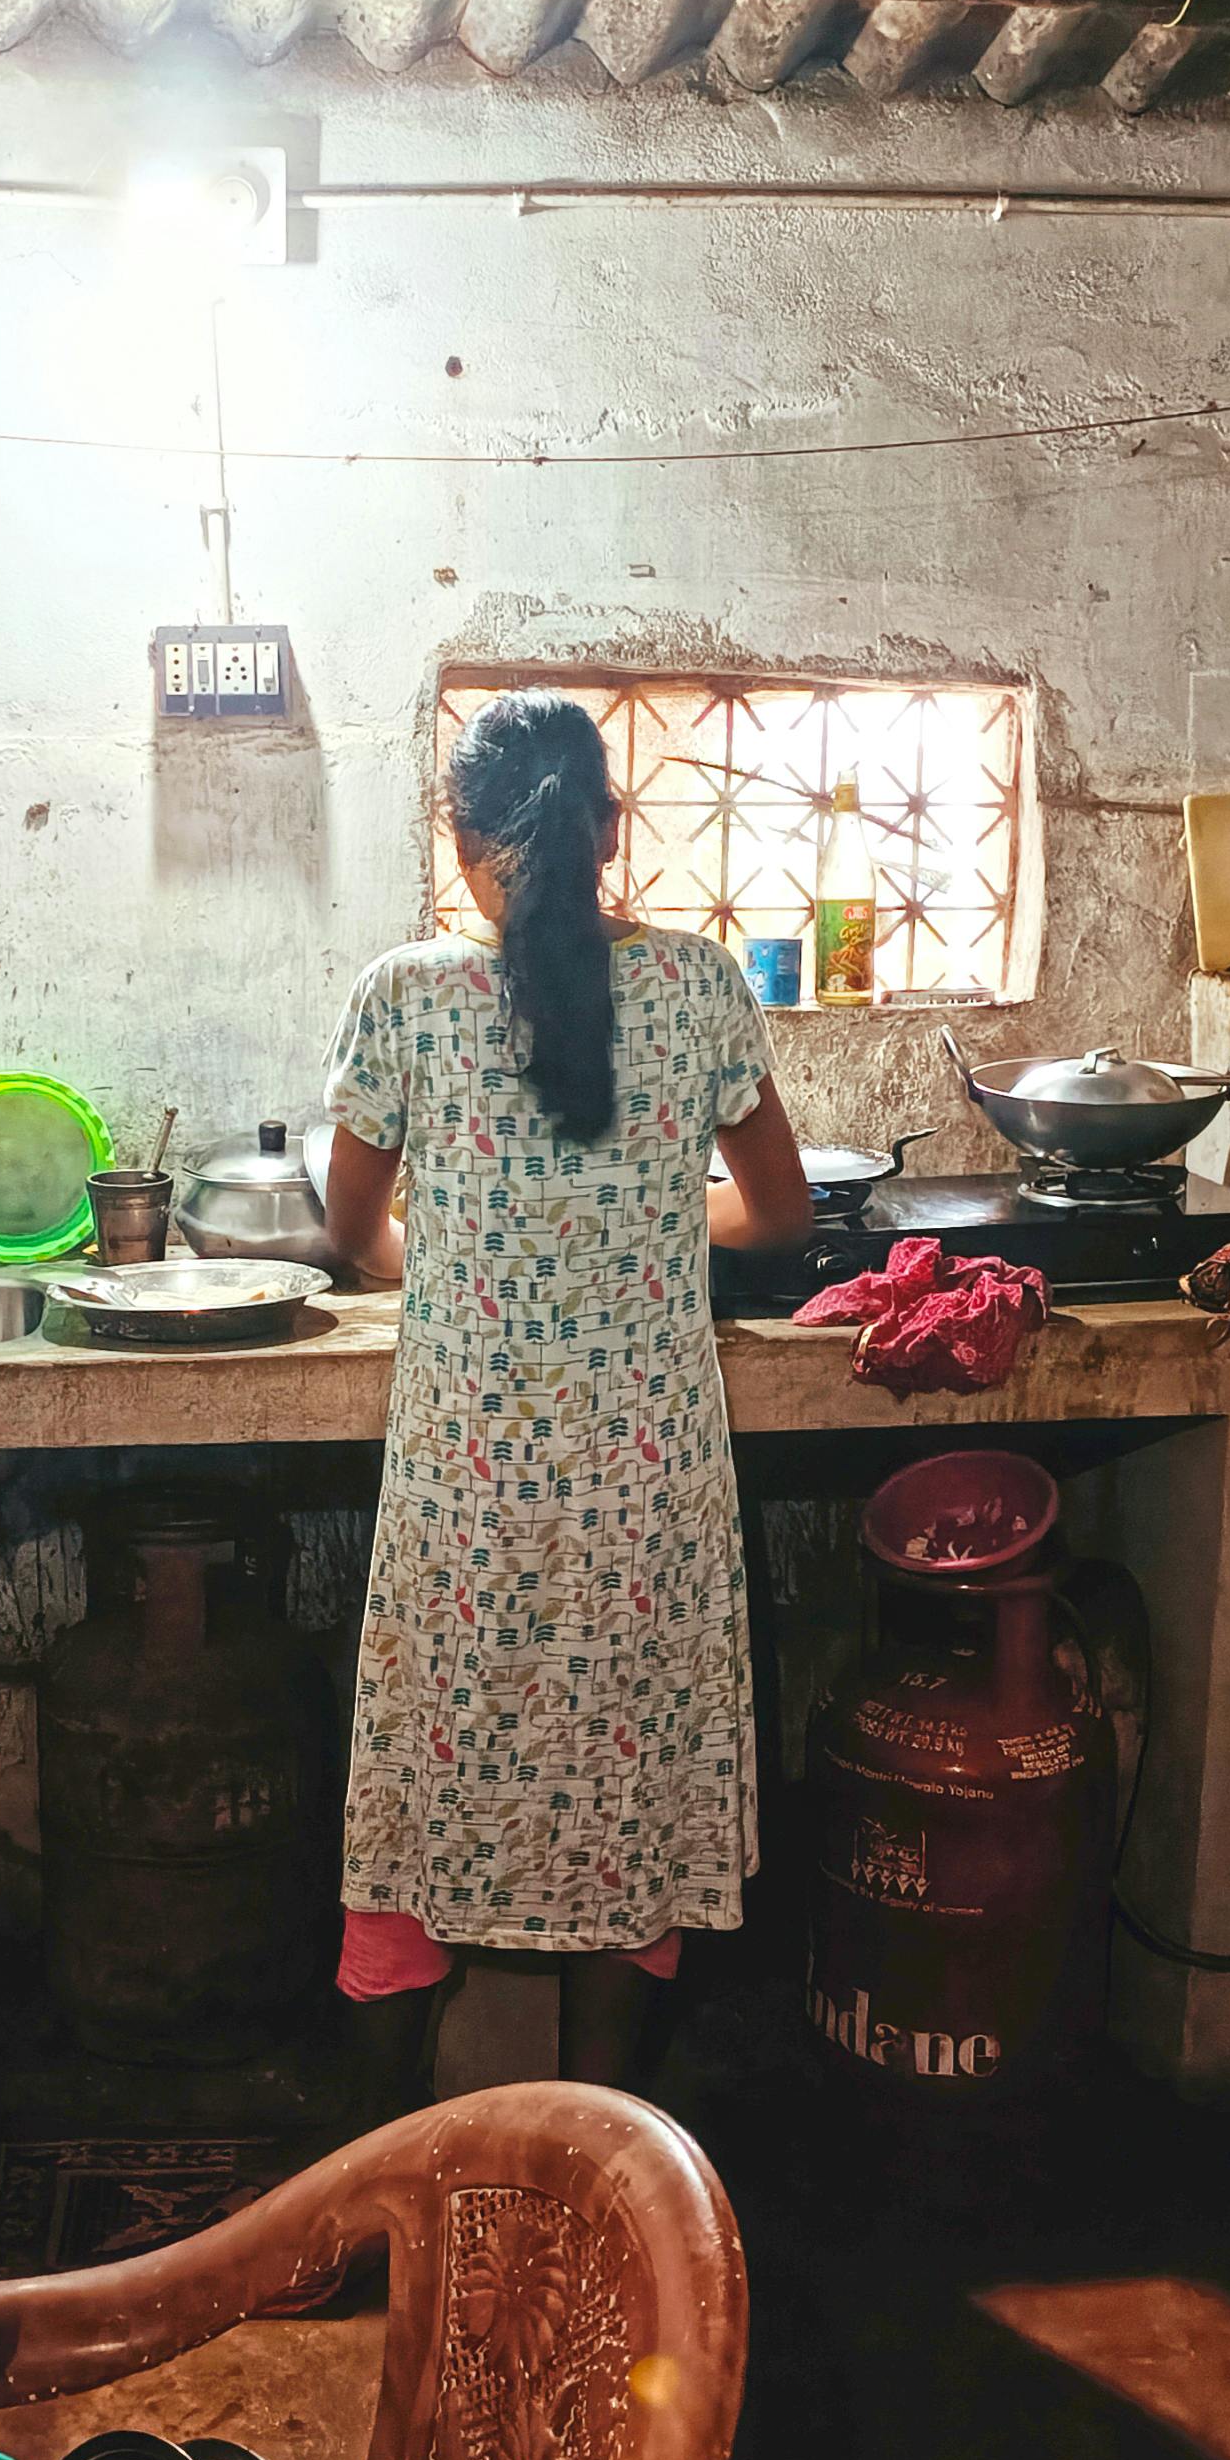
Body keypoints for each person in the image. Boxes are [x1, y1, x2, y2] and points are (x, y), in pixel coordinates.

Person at [318, 690, 814, 2114]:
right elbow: (778, 1215)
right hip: (642, 1486)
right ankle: (602, 2168)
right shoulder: (700, 984)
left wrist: (460, 1252)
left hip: (467, 1491)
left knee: (417, 1804)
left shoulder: (406, 995)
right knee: (628, 1799)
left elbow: (350, 1235)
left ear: (462, 838)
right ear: (607, 827)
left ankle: (384, 2184)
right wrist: (644, 1226)